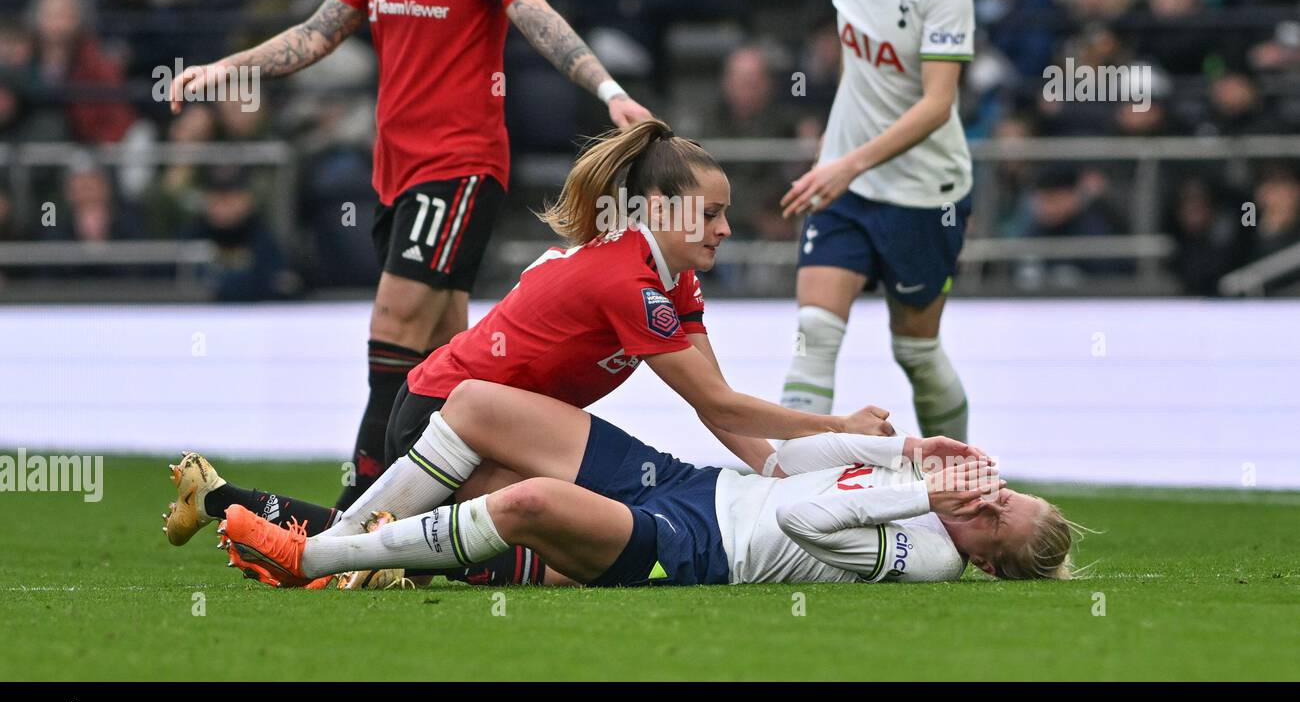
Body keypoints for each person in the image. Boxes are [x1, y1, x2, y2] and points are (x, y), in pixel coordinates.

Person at [169, 0, 653, 510]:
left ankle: (356, 502)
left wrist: (608, 88)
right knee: (440, 356)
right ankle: (451, 501)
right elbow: (318, 32)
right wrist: (228, 69)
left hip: (459, 169)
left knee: (391, 324)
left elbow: (536, 16)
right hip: (397, 177)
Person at [164, 120, 896, 553]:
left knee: (425, 544)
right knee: (518, 551)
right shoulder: (627, 277)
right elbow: (722, 402)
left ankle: (228, 499)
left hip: (486, 419)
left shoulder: (671, 278)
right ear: (660, 211)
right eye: (710, 215)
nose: (725, 230)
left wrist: (774, 476)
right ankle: (262, 522)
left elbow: (717, 407)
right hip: (442, 415)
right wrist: (837, 427)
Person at [218, 378, 1081, 589]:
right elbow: (780, 469)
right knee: (477, 408)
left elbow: (816, 520)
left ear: (994, 562)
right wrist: (901, 456)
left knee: (517, 504)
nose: (991, 495)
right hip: (688, 484)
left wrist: (920, 495)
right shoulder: (919, 492)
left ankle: (315, 558)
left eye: (1001, 514)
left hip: (692, 548)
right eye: (1008, 489)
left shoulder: (932, 559)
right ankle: (336, 541)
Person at [778, 0, 976, 442]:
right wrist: (841, 160)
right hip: (845, 182)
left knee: (915, 352)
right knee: (815, 332)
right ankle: (790, 490)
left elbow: (938, 105)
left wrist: (849, 164)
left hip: (925, 191)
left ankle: (965, 478)